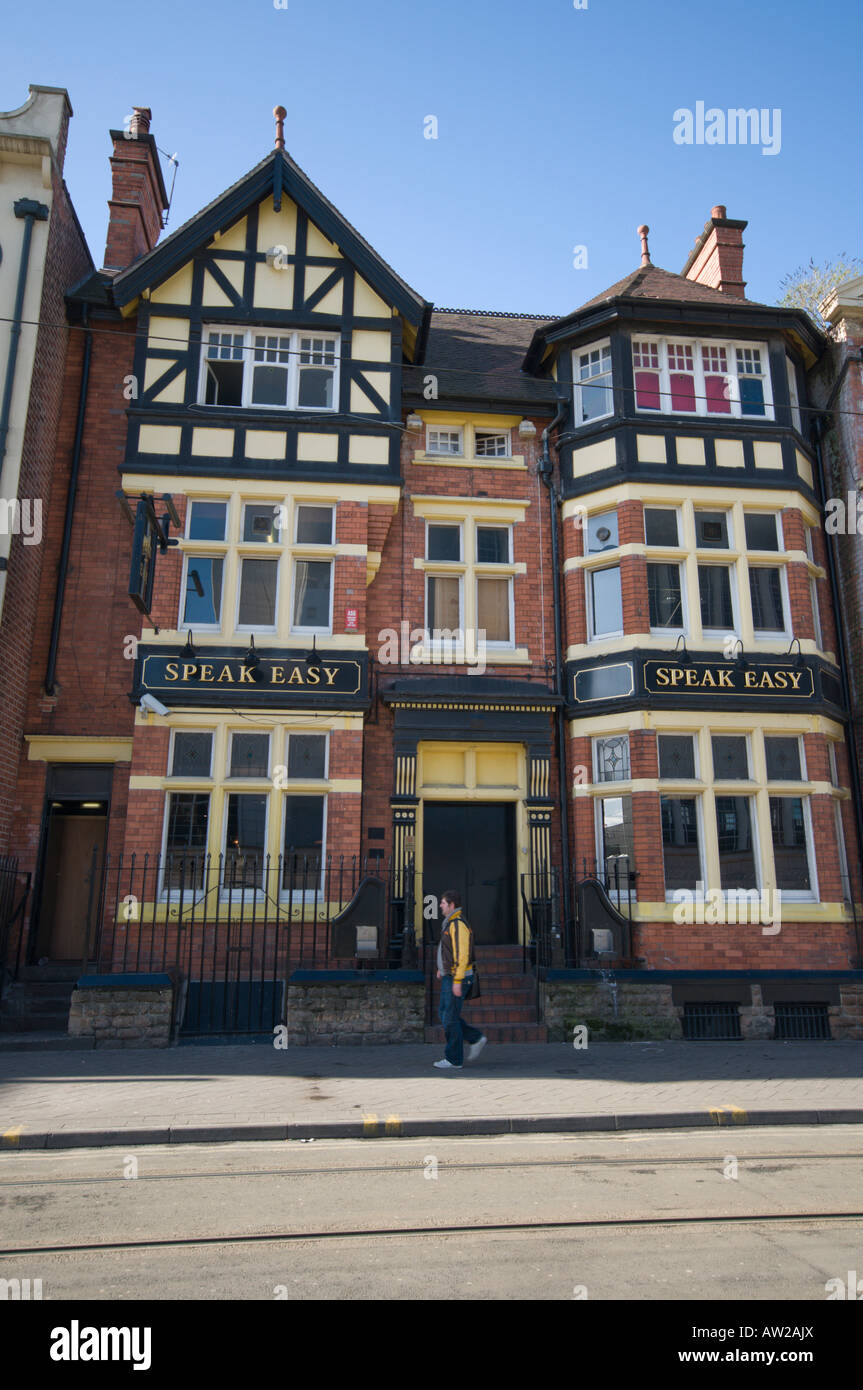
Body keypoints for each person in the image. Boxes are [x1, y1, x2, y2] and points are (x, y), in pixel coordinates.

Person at [434, 891, 487, 1070]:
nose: (440, 905)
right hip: (451, 975)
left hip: (459, 977)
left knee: (449, 1017)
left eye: (442, 903)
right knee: (445, 1014)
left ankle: (454, 1059)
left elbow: (462, 954)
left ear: (451, 905)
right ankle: (475, 1038)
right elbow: (448, 950)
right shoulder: (451, 923)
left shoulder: (458, 924)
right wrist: (442, 969)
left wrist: (457, 980)